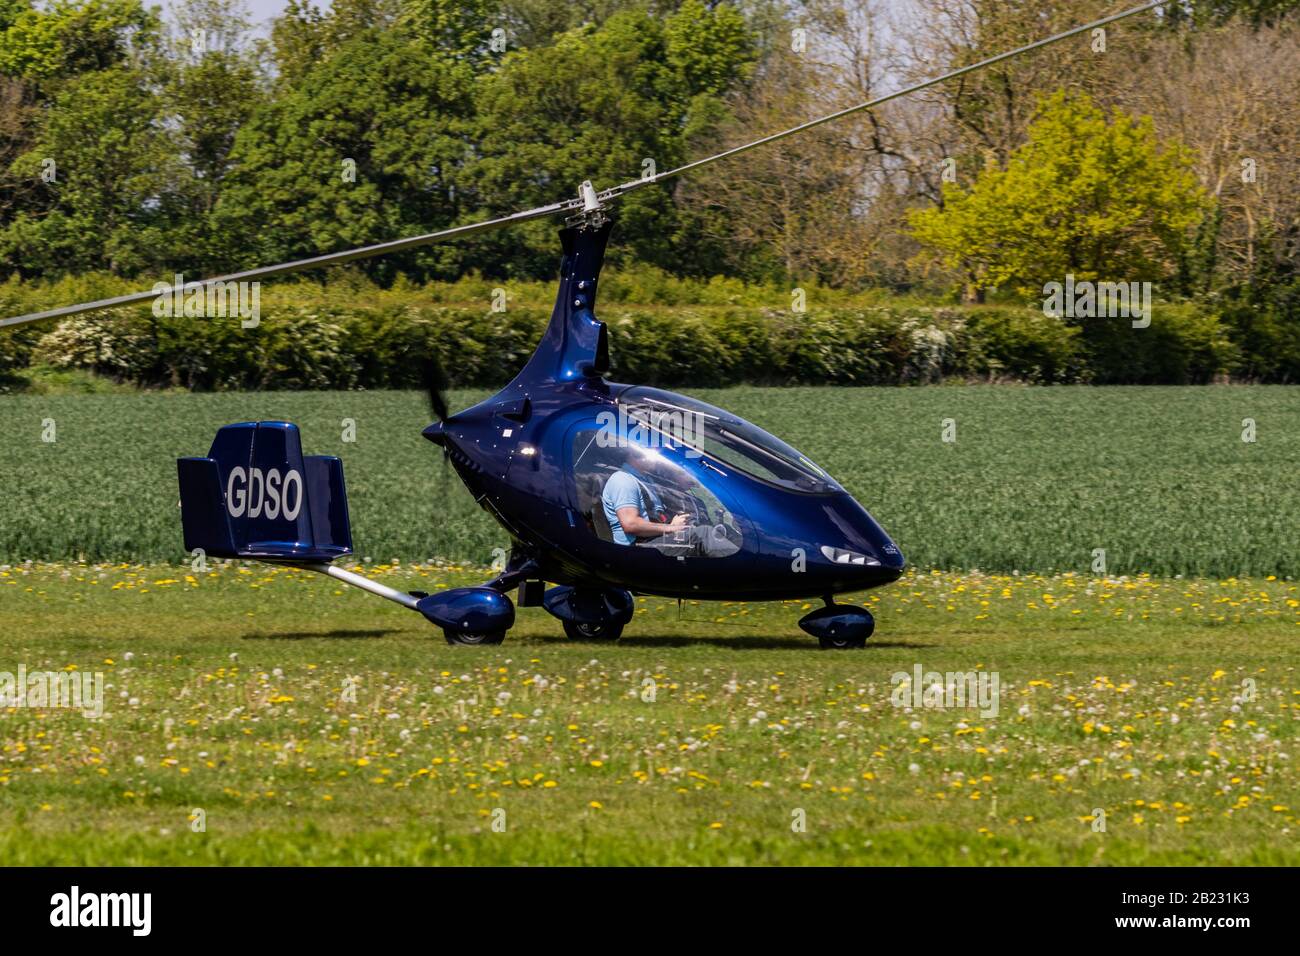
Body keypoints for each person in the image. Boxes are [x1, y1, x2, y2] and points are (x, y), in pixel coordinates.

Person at [600, 445, 739, 557]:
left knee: (721, 534)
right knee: (704, 534)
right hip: (636, 551)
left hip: (653, 541)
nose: (655, 459)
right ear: (634, 456)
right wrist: (672, 528)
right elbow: (631, 524)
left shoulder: (645, 480)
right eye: (652, 454)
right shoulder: (623, 480)